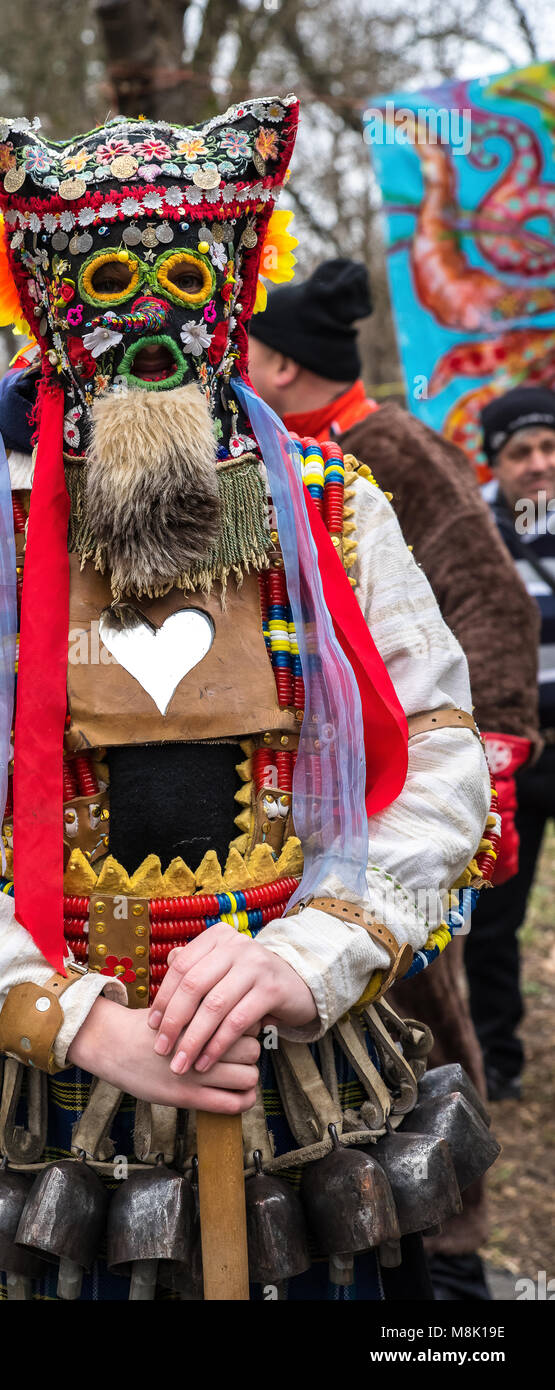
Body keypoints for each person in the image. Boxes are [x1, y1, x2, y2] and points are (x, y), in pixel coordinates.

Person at [0, 99, 492, 1301]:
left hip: (299, 1083)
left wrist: (311, 957)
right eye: (110, 277)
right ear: (41, 293)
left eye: (183, 273)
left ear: (234, 289)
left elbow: (442, 759)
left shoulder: (334, 512)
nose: (149, 323)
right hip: (48, 1106)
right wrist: (83, 1021)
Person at [247, 258, 540, 1298]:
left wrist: (487, 766)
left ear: (279, 362)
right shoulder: (281, 452)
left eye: (246, 342)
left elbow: (492, 602)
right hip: (315, 803)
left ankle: (448, 1263)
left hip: (400, 796)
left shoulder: (387, 453)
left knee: (417, 1012)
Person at [465, 387, 555, 1102]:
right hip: (510, 759)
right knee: (493, 915)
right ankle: (496, 1056)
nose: (537, 463)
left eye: (549, 447)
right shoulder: (474, 535)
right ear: (494, 461)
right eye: (519, 451)